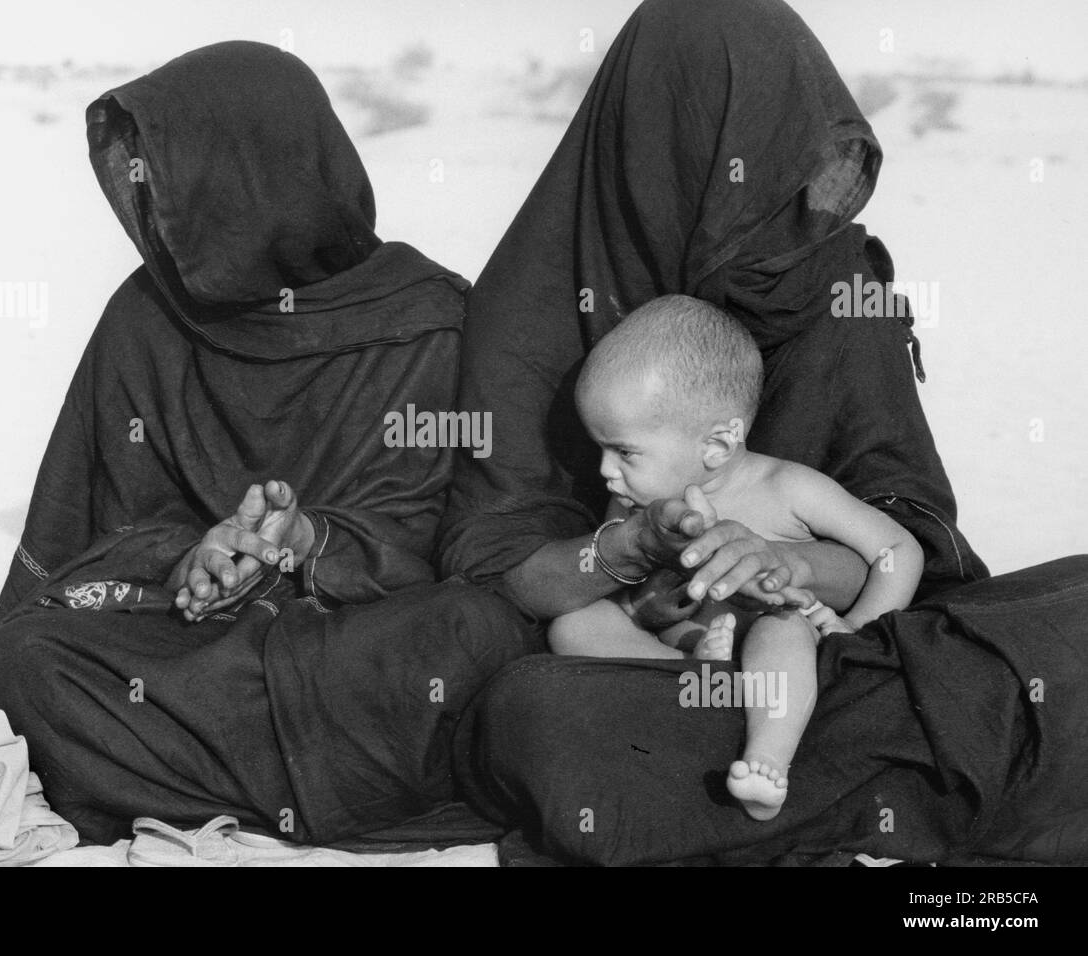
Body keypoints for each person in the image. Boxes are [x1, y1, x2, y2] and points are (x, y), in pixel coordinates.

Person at [438, 0, 1088, 866]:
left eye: (796, 183)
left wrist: (782, 560)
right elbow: (499, 567)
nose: (785, 222)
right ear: (665, 148)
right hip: (637, 669)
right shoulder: (532, 310)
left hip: (837, 646)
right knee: (533, 713)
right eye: (752, 183)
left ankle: (790, 769)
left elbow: (906, 533)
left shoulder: (828, 281)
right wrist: (632, 550)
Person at [0, 41, 535, 846]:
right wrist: (194, 557)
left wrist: (308, 540)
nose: (155, 220)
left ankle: (189, 786)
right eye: (145, 193)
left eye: (179, 195)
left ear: (265, 180)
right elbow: (100, 537)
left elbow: (455, 537)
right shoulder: (149, 319)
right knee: (26, 663)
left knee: (476, 632)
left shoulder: (429, 323)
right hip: (193, 653)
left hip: (355, 653)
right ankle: (320, 795)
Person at [546, 295, 925, 820]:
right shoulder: (637, 500)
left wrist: (858, 628)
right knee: (573, 624)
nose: (606, 472)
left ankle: (768, 759)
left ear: (719, 444)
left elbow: (897, 547)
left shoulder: (788, 486)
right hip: (688, 648)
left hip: (772, 644)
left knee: (783, 629)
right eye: (600, 451)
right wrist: (642, 608)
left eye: (625, 452)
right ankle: (697, 680)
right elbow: (624, 588)